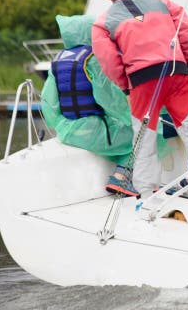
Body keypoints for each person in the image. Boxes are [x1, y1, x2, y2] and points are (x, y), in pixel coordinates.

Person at [90, 0, 188, 210]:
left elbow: (109, 60)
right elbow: (184, 29)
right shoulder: (162, 2)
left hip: (142, 81)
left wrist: (126, 85)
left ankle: (146, 197)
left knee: (144, 138)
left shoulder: (101, 24)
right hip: (176, 70)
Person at [41, 14, 161, 197]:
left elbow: (48, 102)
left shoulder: (58, 60)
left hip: (66, 131)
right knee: (144, 135)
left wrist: (57, 124)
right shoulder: (92, 59)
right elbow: (110, 100)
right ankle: (121, 177)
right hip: (94, 131)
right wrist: (133, 116)